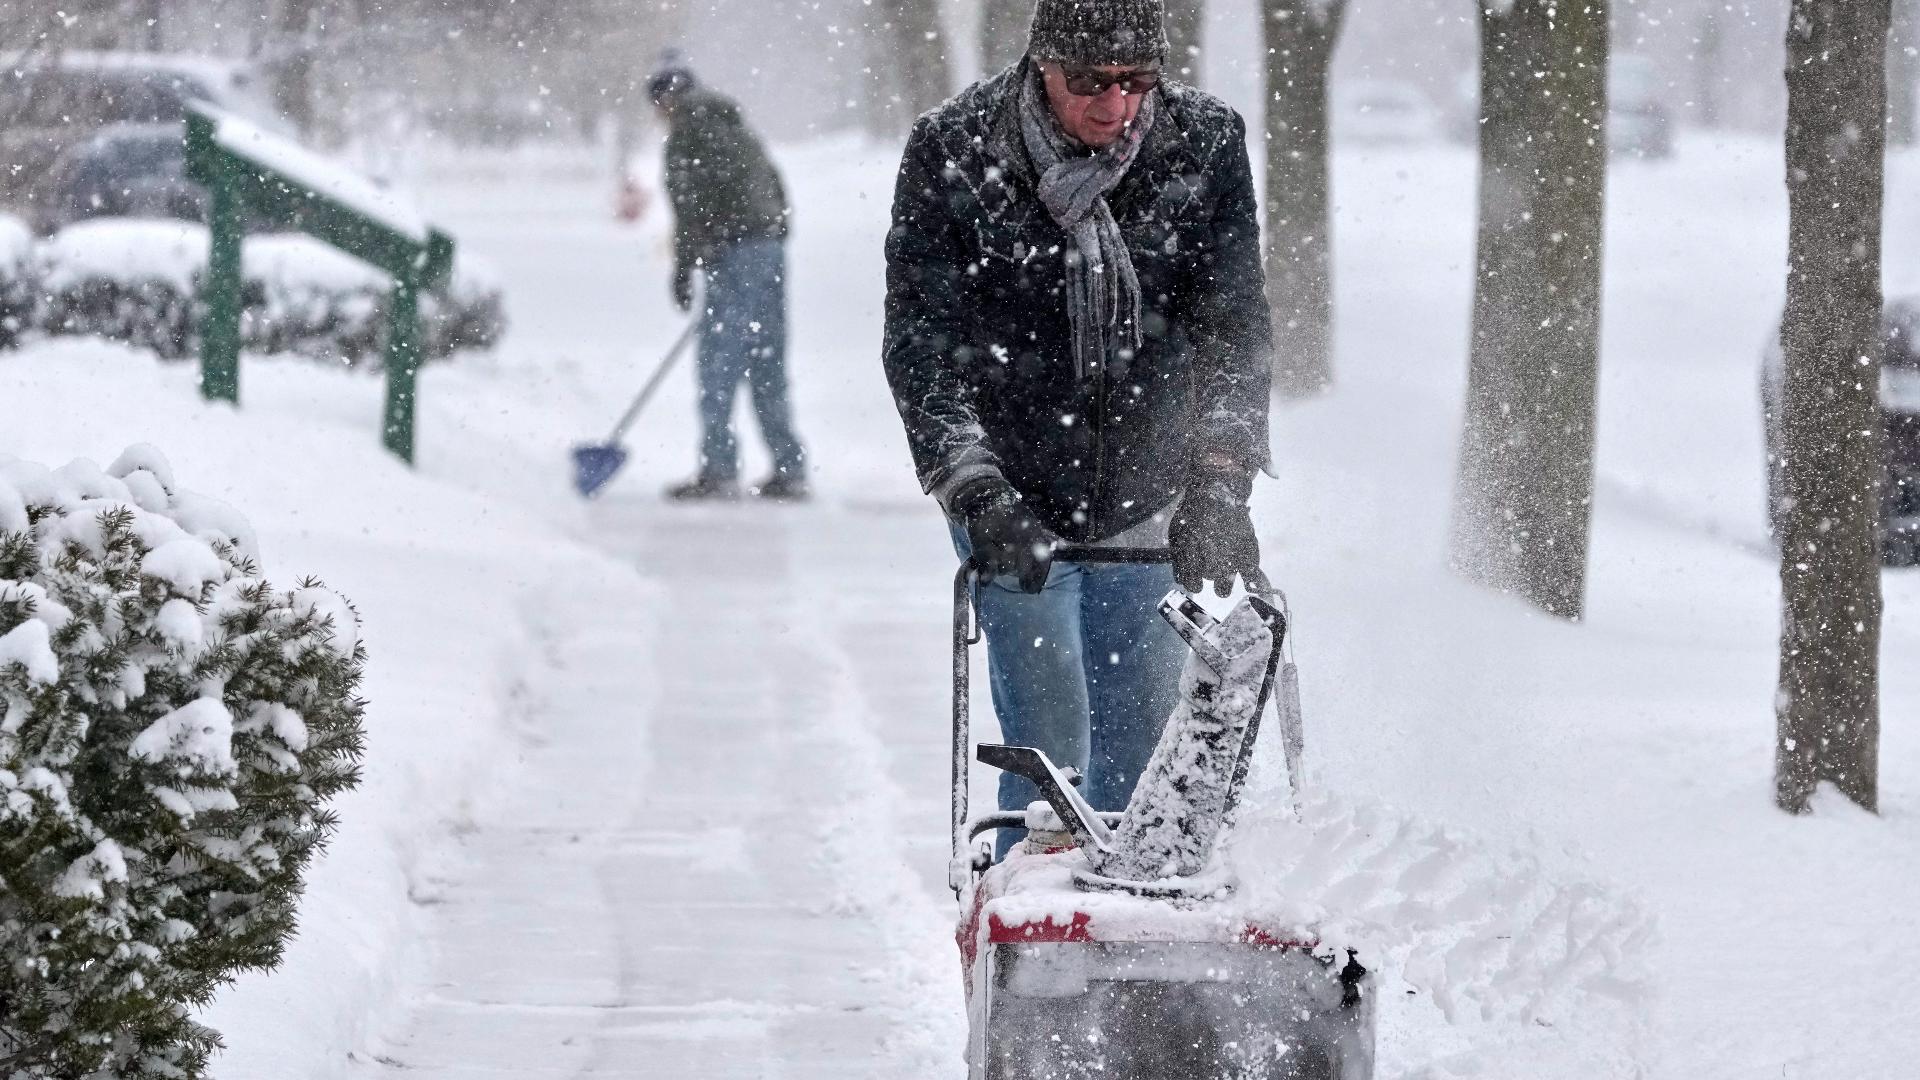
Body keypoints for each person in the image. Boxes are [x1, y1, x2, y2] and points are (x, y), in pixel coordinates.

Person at [881, 0, 1273, 848]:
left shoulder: (1202, 146)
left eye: (1137, 83)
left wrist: (1220, 479)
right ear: (1041, 68)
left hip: (1150, 487)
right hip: (1014, 487)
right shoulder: (955, 150)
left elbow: (1233, 326)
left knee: (1145, 774)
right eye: (1092, 84)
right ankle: (1033, 945)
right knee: (1051, 758)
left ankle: (1138, 953)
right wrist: (975, 491)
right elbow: (921, 341)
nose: (1117, 107)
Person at [649, 61, 809, 501]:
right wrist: (771, 232)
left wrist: (685, 267)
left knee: (718, 362)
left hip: (733, 252)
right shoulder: (736, 127)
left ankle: (718, 469)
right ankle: (790, 466)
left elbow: (686, 204)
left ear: (665, 100)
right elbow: (776, 185)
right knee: (766, 358)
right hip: (768, 250)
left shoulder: (686, 134)